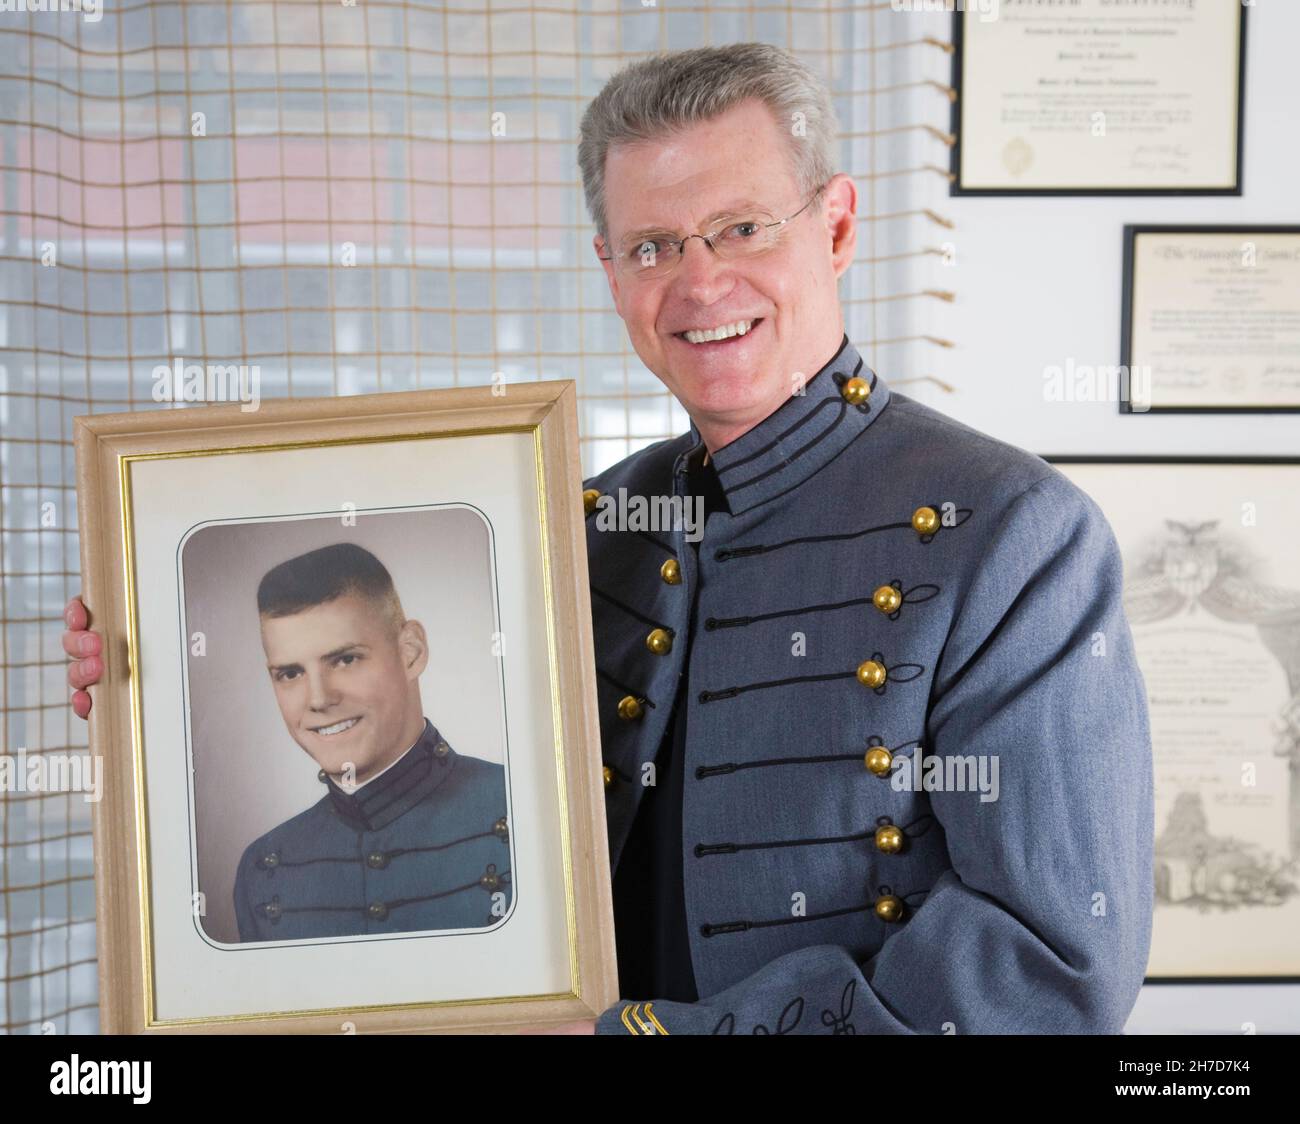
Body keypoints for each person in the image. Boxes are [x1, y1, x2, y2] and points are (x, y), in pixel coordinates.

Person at [66, 43, 1154, 1033]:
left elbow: (1046, 971)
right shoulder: (573, 529)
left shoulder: (1013, 532)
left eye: (740, 226)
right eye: (650, 245)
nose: (699, 281)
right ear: (608, 270)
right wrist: (146, 675)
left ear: (835, 224)